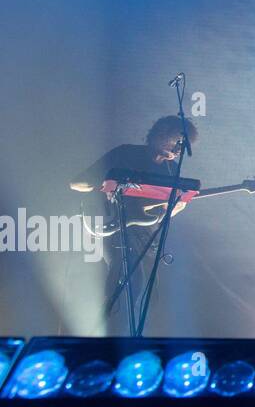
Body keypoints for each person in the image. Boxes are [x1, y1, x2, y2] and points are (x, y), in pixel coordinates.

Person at [70, 115, 199, 330]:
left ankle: (128, 337)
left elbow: (159, 212)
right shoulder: (126, 154)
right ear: (161, 132)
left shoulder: (171, 169)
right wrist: (109, 184)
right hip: (115, 227)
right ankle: (107, 335)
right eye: (178, 142)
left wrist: (174, 208)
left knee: (151, 296)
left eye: (184, 146)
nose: (179, 150)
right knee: (129, 280)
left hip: (146, 237)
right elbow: (77, 183)